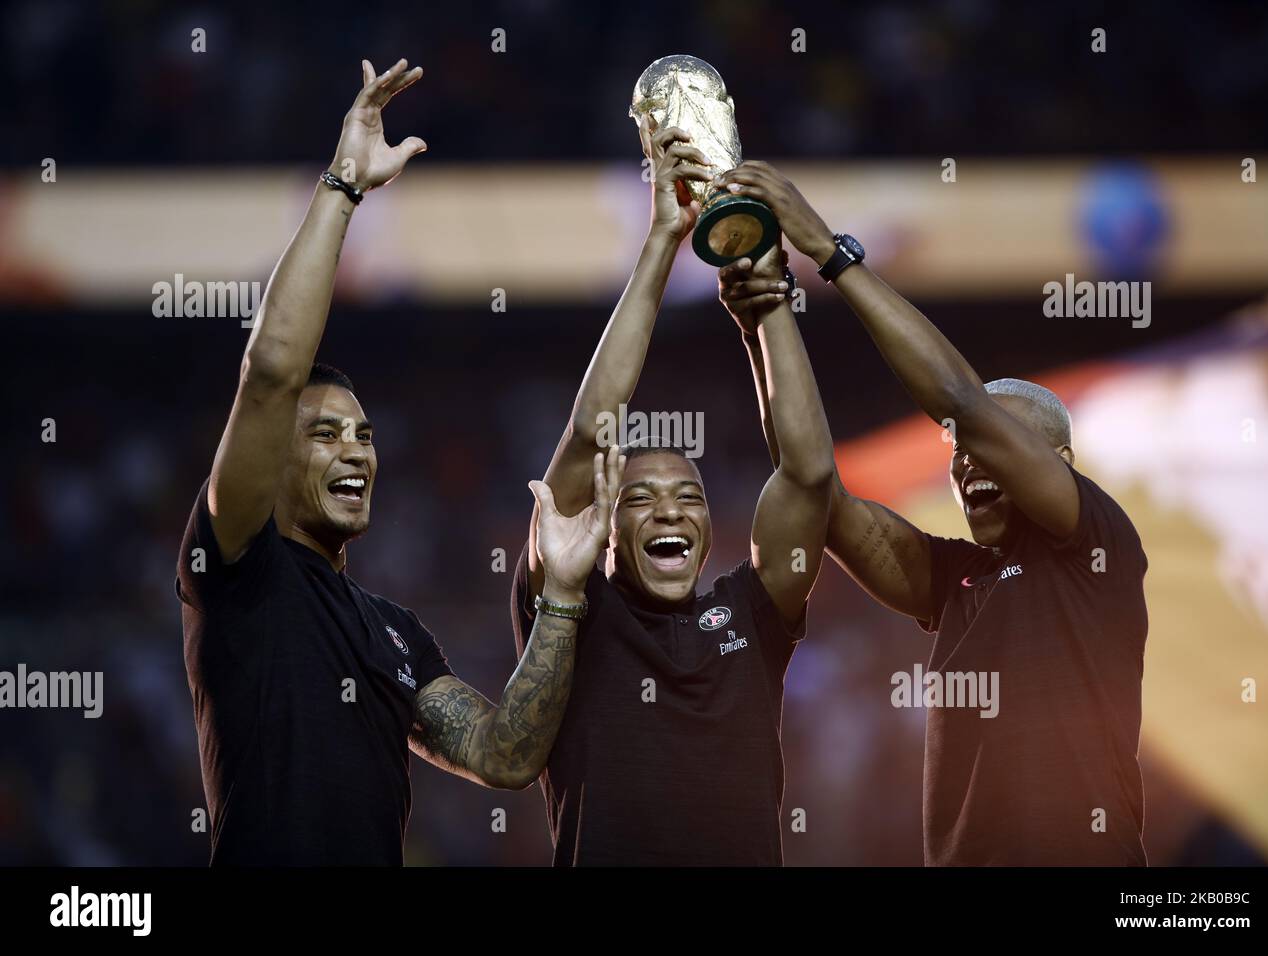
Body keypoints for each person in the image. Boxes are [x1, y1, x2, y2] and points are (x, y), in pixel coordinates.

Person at [175, 58, 619, 865]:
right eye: (325, 434)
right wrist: (343, 187)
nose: (356, 449)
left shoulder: (396, 632)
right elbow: (271, 371)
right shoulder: (237, 568)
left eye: (365, 435)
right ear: (270, 460)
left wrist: (560, 596)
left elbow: (504, 756)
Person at [717, 161, 1148, 866]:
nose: (970, 462)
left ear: (1061, 465)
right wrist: (765, 319)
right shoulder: (954, 582)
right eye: (960, 455)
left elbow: (961, 405)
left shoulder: (1098, 543)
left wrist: (827, 250)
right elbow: (814, 484)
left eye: (1000, 450)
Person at [509, 119, 836, 865]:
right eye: (639, 499)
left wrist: (770, 308)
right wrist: (663, 240)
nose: (668, 510)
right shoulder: (571, 613)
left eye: (689, 498)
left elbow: (809, 474)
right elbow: (591, 431)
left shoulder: (749, 614)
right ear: (603, 527)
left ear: (710, 527)